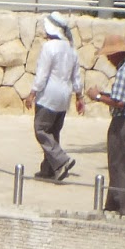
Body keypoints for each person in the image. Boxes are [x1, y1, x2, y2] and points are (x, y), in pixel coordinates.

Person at [86, 33, 125, 217]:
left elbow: (119, 102)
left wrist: (97, 96)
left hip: (123, 120)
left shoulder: (124, 70)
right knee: (120, 161)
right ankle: (113, 203)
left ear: (115, 54)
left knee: (120, 163)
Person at [26, 12, 82, 182]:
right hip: (64, 96)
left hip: (49, 95)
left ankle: (61, 159)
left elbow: (42, 74)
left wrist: (32, 92)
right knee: (53, 132)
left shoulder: (49, 47)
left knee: (41, 129)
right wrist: (79, 96)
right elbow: (76, 77)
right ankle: (49, 169)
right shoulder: (71, 49)